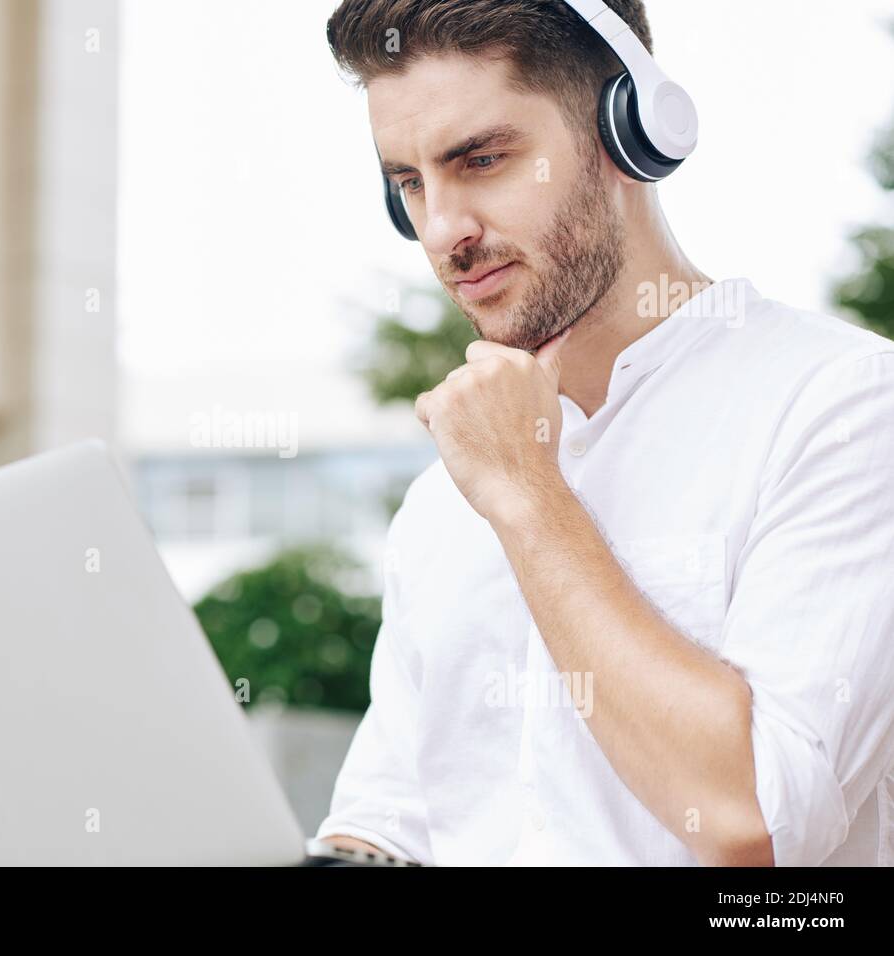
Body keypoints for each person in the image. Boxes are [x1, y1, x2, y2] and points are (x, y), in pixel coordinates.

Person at [314, 0, 894, 866]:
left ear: (630, 131)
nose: (441, 231)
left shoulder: (841, 408)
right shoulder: (441, 500)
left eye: (481, 159)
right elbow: (391, 819)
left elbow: (758, 823)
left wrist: (528, 497)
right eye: (409, 182)